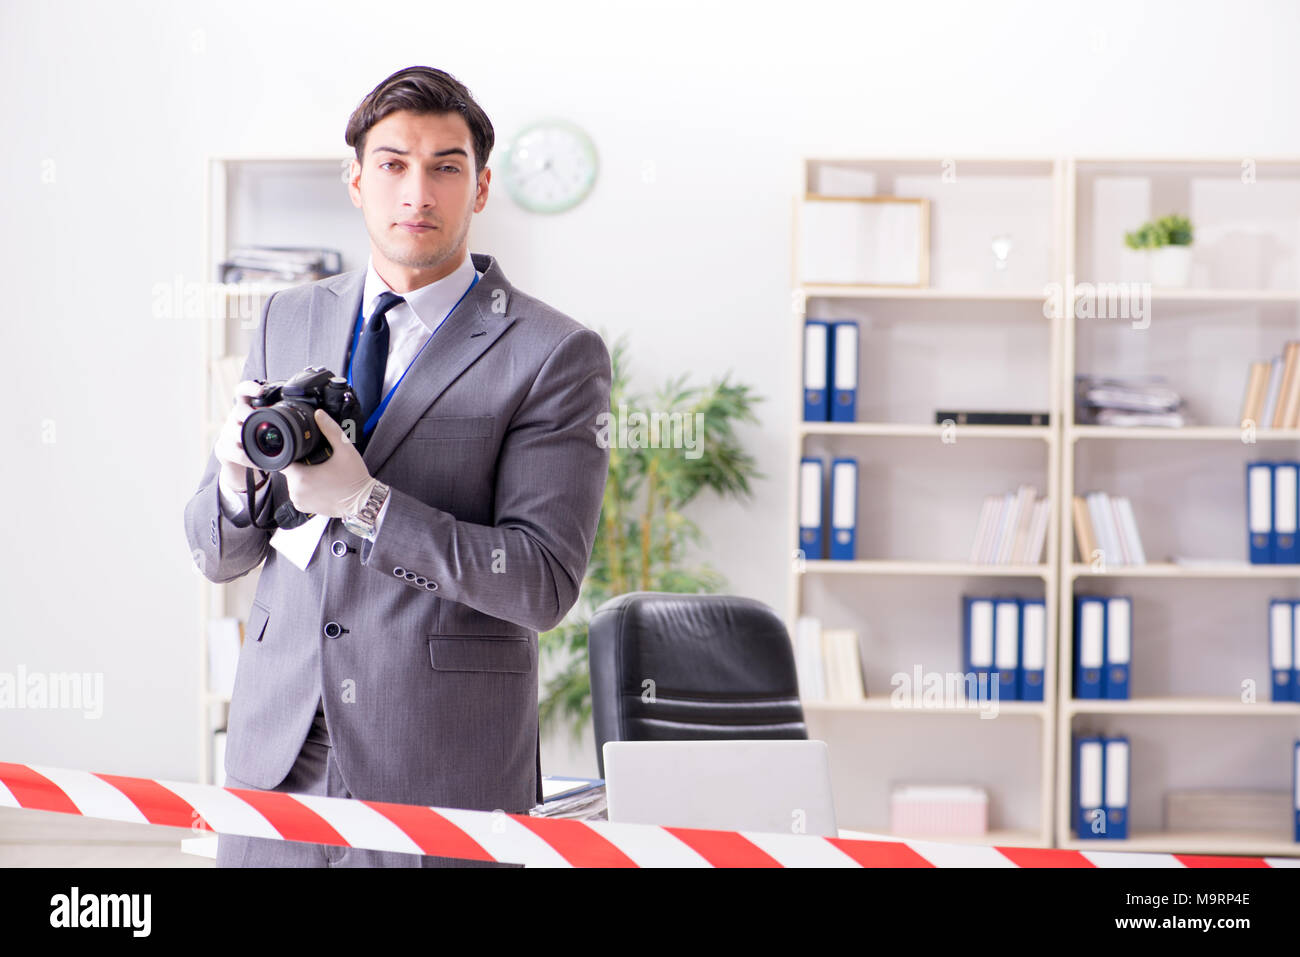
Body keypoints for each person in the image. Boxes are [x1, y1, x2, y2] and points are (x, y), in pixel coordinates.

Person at [183, 65, 611, 867]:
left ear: (481, 190)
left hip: (439, 761)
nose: (418, 190)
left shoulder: (554, 353)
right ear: (355, 179)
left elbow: (542, 582)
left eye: (447, 166)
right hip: (280, 749)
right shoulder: (289, 312)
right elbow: (218, 553)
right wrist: (237, 478)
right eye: (393, 163)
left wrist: (370, 504)